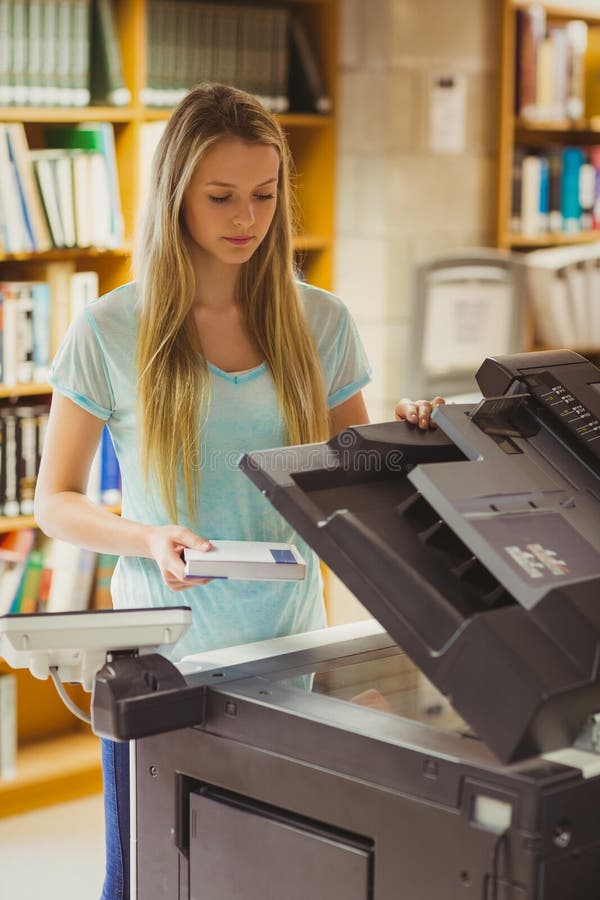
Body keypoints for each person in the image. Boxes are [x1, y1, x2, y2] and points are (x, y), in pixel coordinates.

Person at [33, 83, 444, 900]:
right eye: (221, 197)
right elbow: (55, 500)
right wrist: (149, 538)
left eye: (263, 196)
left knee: (271, 873)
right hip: (161, 660)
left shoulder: (320, 321)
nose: (246, 219)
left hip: (287, 654)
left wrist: (415, 438)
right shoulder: (109, 330)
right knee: (144, 875)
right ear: (176, 193)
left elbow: (351, 476)